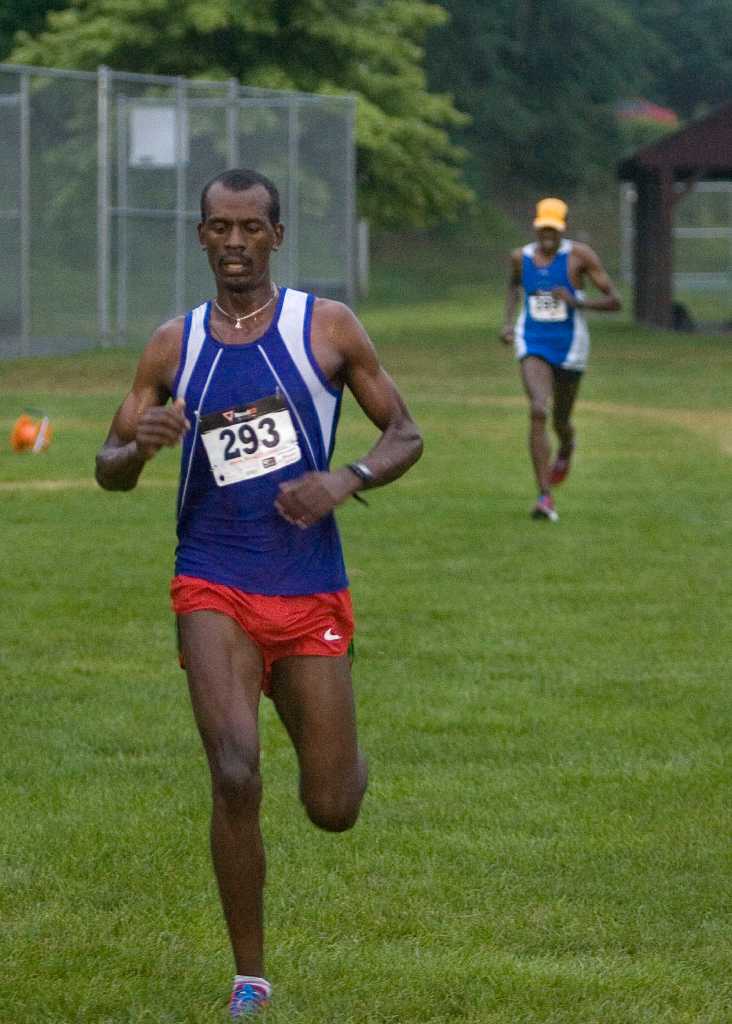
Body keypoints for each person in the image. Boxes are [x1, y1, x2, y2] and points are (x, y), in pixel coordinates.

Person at [95, 168, 422, 1016]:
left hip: (309, 585)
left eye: (250, 227)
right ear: (200, 236)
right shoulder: (174, 345)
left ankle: (326, 735)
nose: (234, 242)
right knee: (235, 771)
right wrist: (140, 448)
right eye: (218, 227)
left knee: (333, 806)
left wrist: (344, 479)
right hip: (214, 578)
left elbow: (404, 433)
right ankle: (250, 977)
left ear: (277, 236)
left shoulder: (329, 328)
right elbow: (108, 469)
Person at [500, 197, 621, 522]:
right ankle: (544, 497)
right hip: (533, 341)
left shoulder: (579, 256)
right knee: (538, 409)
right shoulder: (520, 258)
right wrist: (509, 324)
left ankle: (567, 444)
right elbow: (513, 287)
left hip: (570, 346)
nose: (548, 233)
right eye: (543, 227)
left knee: (560, 420)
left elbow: (615, 301)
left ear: (561, 228)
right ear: (536, 226)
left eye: (554, 228)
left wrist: (577, 299)